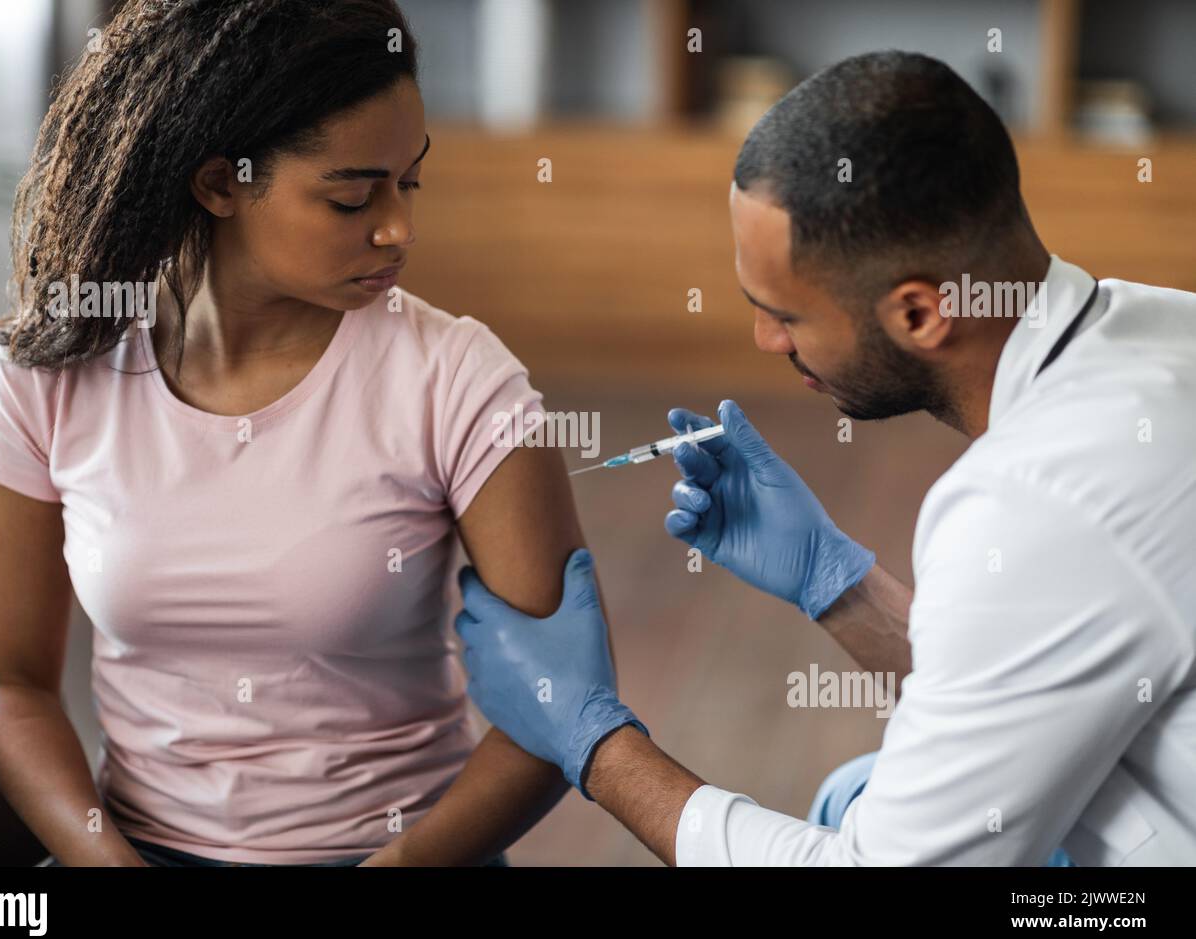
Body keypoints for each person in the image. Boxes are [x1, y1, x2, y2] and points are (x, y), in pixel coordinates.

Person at [455, 51, 1196, 866]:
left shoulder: (1037, 501)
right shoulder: (1163, 328)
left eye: (784, 316)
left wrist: (592, 741)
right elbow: (1026, 676)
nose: (766, 341)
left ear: (919, 313)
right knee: (863, 786)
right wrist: (832, 581)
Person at [0, 0, 595, 867]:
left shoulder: (460, 381)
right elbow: (8, 680)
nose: (400, 227)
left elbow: (564, 702)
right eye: (350, 196)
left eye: (411, 181)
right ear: (220, 183)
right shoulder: (47, 376)